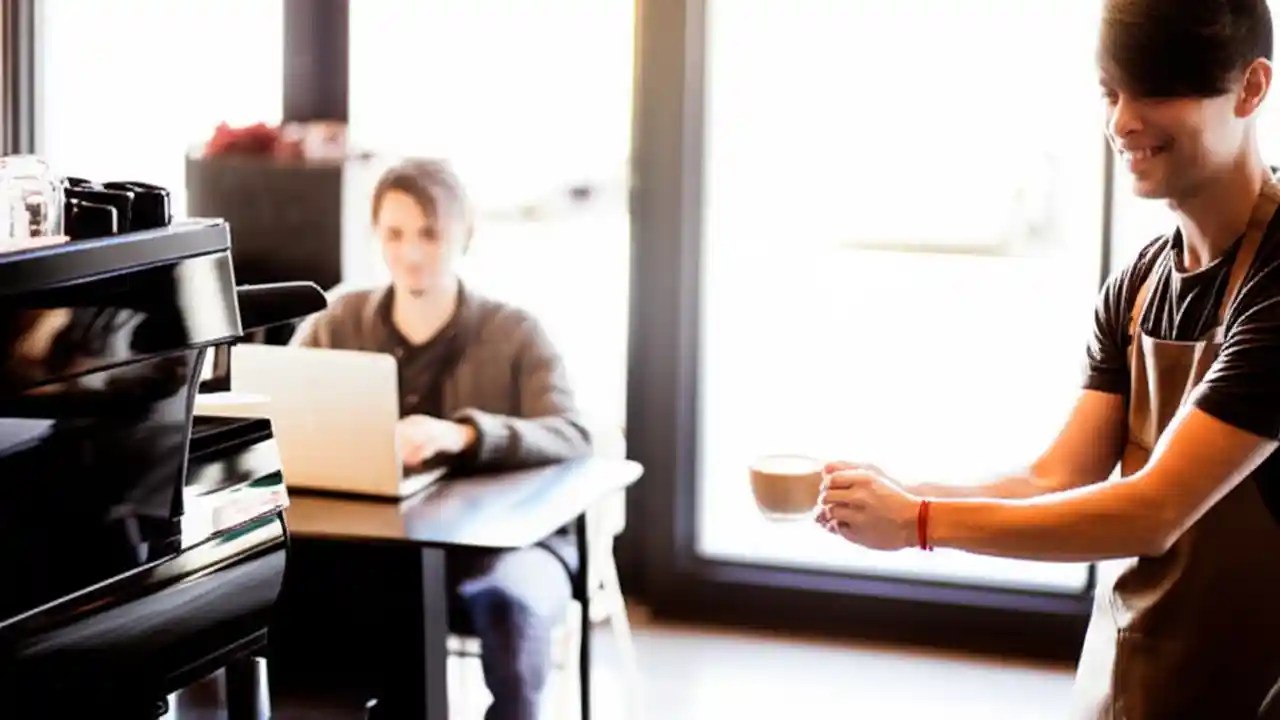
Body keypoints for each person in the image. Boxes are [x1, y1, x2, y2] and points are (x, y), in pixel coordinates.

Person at [816, 1, 1280, 717]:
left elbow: (1154, 510)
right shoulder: (1138, 288)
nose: (1122, 122)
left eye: (1155, 89)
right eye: (1110, 92)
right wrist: (901, 491)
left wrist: (919, 523)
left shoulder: (1277, 277)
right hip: (1133, 686)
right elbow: (1054, 477)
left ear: (1251, 88)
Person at [290, 158, 593, 720]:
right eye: (395, 234)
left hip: (509, 548)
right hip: (380, 548)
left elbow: (572, 434)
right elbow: (282, 413)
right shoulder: (336, 321)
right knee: (305, 591)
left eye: (430, 234)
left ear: (465, 235)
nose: (411, 253)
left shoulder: (515, 332)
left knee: (512, 603)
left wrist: (463, 434)